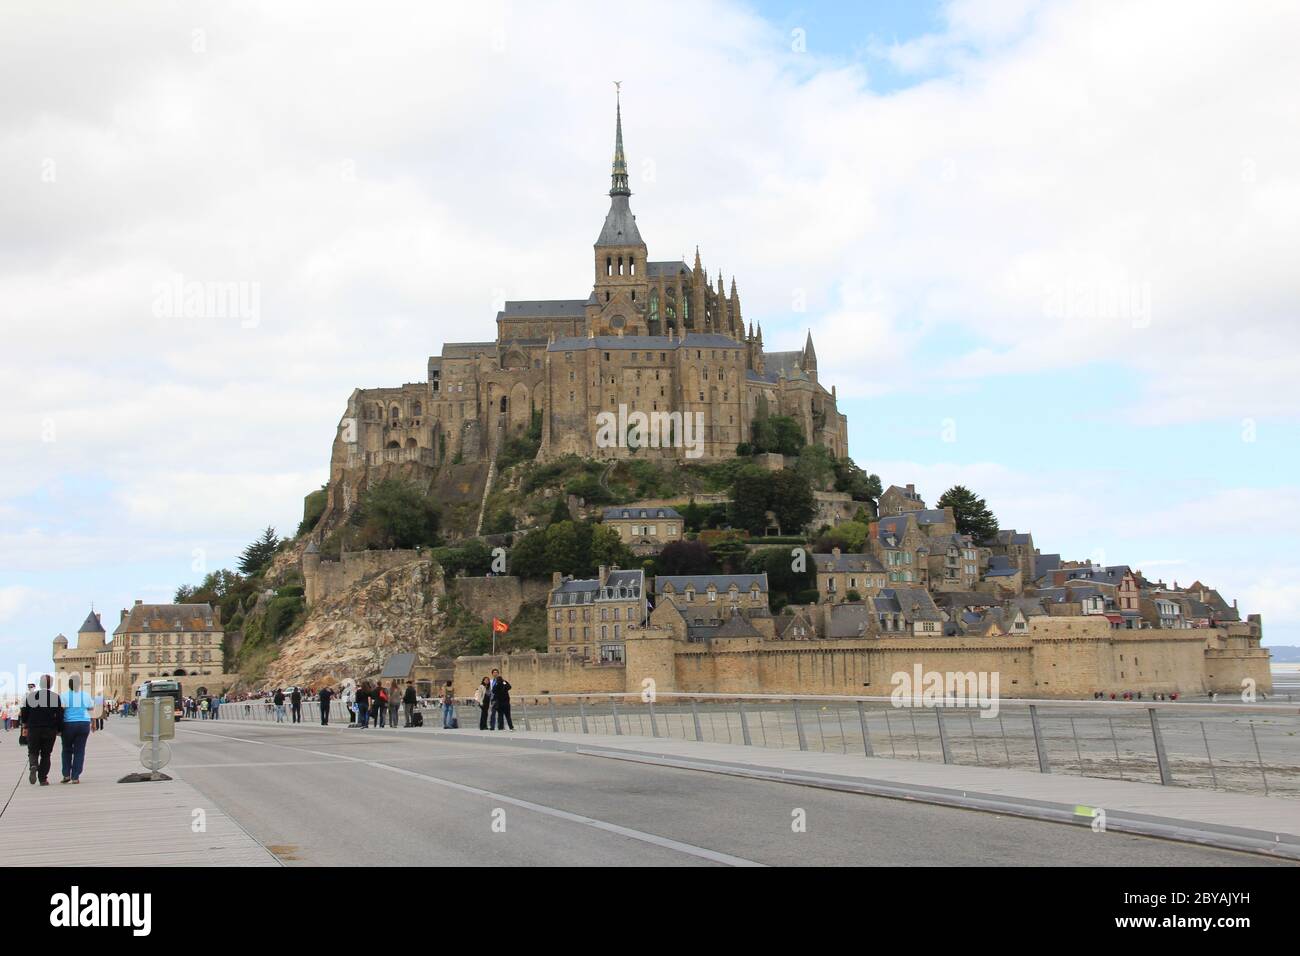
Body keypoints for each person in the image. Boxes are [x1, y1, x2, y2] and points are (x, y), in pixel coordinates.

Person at [20, 674, 63, 786]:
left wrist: (25, 725)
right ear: (51, 684)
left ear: (40, 683)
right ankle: (43, 779)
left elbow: (24, 712)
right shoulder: (55, 697)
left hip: (34, 729)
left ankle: (33, 765)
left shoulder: (32, 696)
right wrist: (59, 729)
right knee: (46, 754)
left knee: (33, 751)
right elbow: (59, 715)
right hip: (49, 729)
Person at [59, 674, 96, 784]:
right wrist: (93, 723)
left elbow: (61, 712)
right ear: (79, 684)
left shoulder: (64, 696)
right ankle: (75, 776)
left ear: (69, 684)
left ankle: (66, 774)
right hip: (84, 724)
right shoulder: (86, 695)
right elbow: (91, 709)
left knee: (66, 749)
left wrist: (58, 727)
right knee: (80, 750)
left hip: (68, 725)